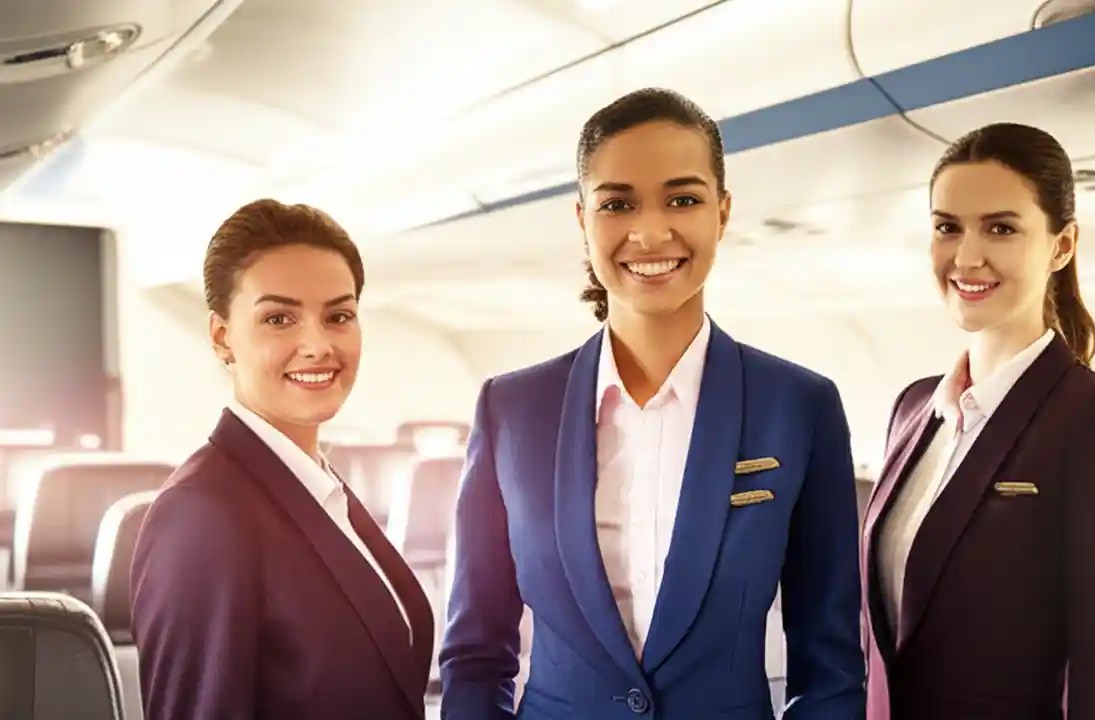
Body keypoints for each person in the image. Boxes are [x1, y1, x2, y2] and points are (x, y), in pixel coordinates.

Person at [439, 88, 866, 719]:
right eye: (617, 204)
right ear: (582, 219)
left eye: (683, 199)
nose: (650, 231)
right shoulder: (511, 410)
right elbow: (476, 653)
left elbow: (828, 663)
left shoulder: (799, 407)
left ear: (722, 213)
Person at [860, 123, 1095, 719]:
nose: (967, 256)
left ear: (1061, 246)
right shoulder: (913, 408)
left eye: (1000, 228)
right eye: (948, 227)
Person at [130, 199, 435, 720]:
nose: (316, 344)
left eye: (338, 316)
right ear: (222, 337)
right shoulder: (202, 513)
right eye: (279, 318)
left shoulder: (320, 487)